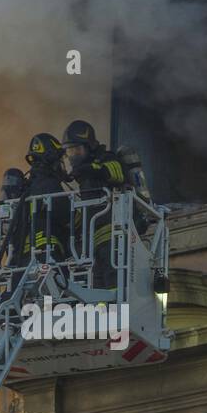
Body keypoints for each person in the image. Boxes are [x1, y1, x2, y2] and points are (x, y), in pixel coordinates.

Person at [61, 120, 126, 288]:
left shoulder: (106, 158)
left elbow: (117, 173)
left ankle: (116, 310)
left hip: (112, 233)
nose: (73, 155)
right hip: (93, 240)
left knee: (114, 279)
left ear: (89, 147)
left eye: (77, 149)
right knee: (97, 284)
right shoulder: (81, 179)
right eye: (70, 151)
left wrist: (92, 169)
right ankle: (105, 312)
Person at [23, 133, 70, 263]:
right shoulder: (48, 183)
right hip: (48, 250)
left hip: (24, 255)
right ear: (51, 159)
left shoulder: (29, 185)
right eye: (59, 160)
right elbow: (66, 214)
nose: (61, 165)